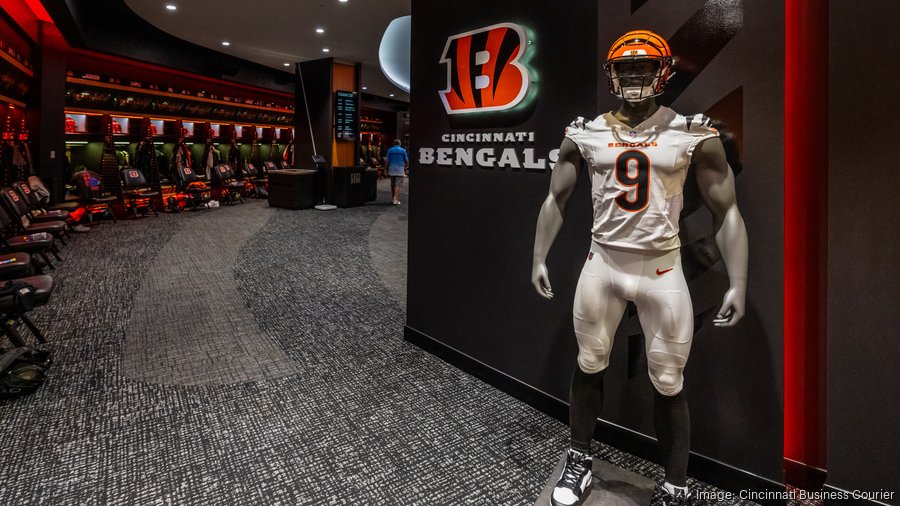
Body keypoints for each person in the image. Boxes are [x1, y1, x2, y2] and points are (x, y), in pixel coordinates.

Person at [531, 30, 748, 506]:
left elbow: (727, 211)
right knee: (590, 362)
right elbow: (555, 199)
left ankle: (674, 486)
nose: (634, 76)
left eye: (643, 67)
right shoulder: (585, 131)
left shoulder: (690, 131)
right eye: (625, 68)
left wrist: (738, 281)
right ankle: (579, 458)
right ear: (611, 74)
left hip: (662, 270)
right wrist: (538, 256)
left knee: (668, 380)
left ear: (662, 72)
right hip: (603, 263)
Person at [384, 139, 409, 205]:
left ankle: (393, 198)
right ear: (400, 144)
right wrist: (406, 167)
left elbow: (387, 160)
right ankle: (396, 200)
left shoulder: (390, 150)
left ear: (393, 144)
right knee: (398, 185)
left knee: (392, 184)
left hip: (391, 169)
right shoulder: (403, 150)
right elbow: (406, 160)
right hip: (400, 170)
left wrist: (385, 169)